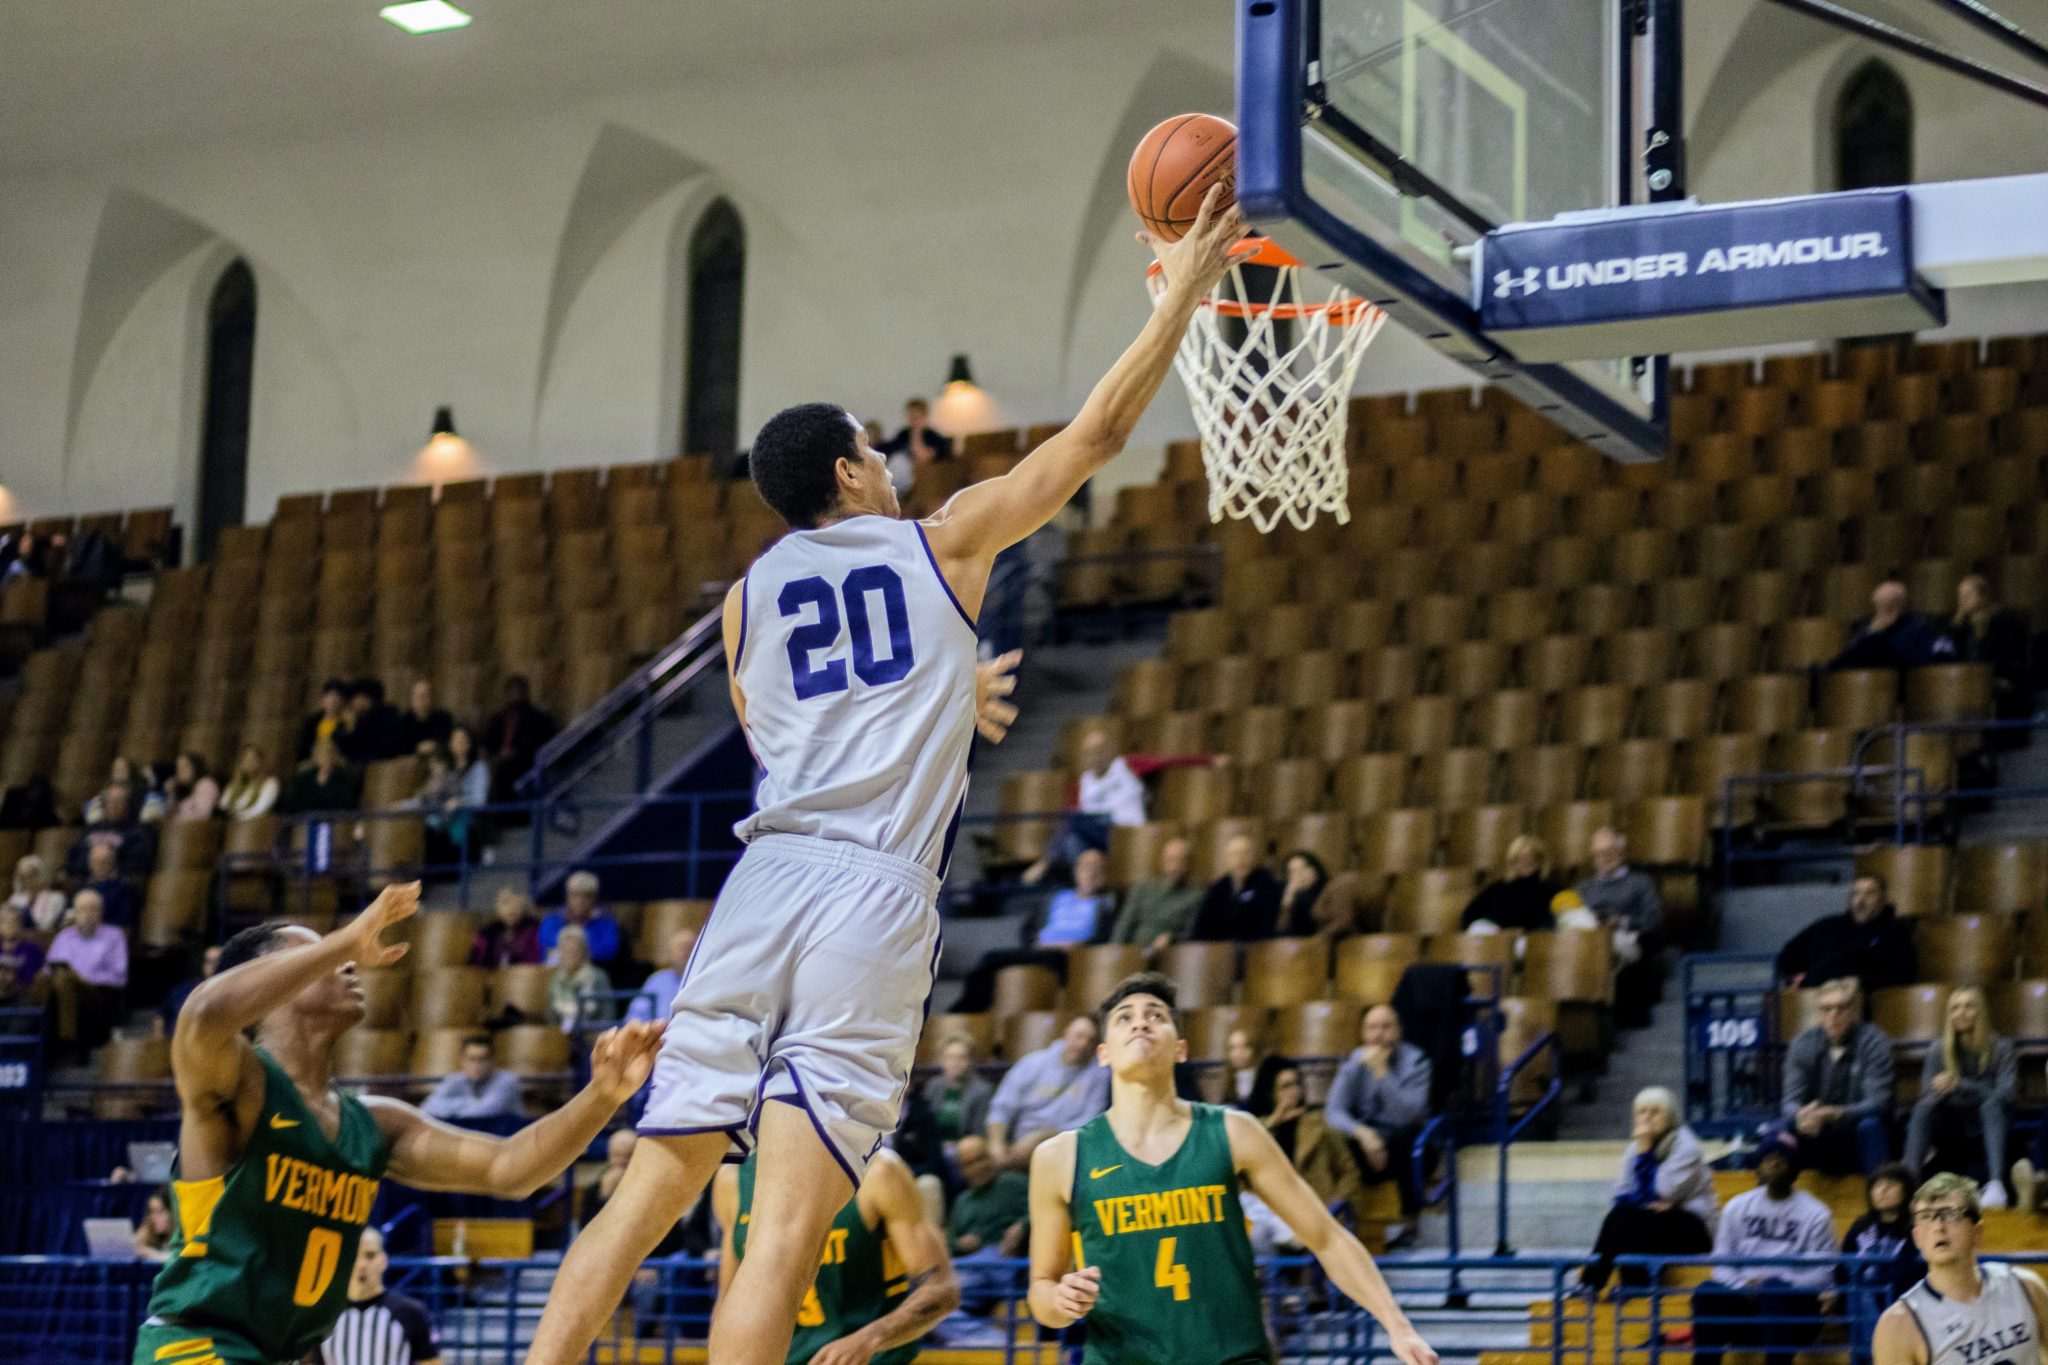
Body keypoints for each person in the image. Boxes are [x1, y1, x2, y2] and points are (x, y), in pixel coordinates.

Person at [522, 191, 1244, 1365]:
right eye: (876, 448)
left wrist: (938, 701)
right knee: (787, 1235)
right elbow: (1096, 439)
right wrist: (1179, 291)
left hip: (764, 882)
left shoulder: (746, 600)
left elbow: (785, 740)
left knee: (650, 1189)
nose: (891, 464)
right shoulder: (942, 538)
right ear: (854, 473)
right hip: (873, 896)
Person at [129, 884, 663, 1365]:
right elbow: (201, 1017)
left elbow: (510, 1168)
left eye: (333, 951)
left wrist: (602, 1096)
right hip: (195, 1346)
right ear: (266, 985)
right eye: (309, 953)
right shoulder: (241, 1083)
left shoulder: (376, 1124)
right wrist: (343, 939)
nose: (343, 961)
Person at [1026, 972, 1439, 1365]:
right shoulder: (1060, 1157)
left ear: (1181, 1050)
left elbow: (1327, 1238)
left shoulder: (1234, 1131)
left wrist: (1398, 1326)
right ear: (1104, 1054)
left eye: (1156, 1015)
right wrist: (1061, 1303)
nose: (1141, 1023)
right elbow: (1041, 1291)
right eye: (1124, 1018)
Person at [714, 1146, 959, 1365]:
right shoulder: (732, 1182)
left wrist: (867, 1340)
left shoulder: (878, 1172)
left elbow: (942, 1290)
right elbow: (727, 1305)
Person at [1692, 1131, 1836, 1365]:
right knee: (1708, 1291)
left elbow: (1823, 1274)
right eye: (1768, 1158)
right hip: (1745, 1309)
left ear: (1795, 1168)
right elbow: (1722, 1263)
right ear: (1758, 1166)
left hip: (1795, 1314)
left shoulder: (1816, 1213)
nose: (1775, 1163)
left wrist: (1776, 1282)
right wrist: (1743, 1287)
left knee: (1774, 1288)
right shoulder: (1736, 1207)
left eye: (1783, 1158)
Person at [1873, 1174, 2048, 1365]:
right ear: (1917, 1238)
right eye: (1925, 1217)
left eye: (1951, 1214)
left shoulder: (2026, 1286)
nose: (1938, 1226)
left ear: (1977, 1231)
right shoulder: (1899, 1325)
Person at [1578, 1086, 1716, 1294]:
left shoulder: (1687, 1146)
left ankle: (1611, 1284)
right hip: (1653, 1222)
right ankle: (1597, 1284)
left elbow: (1663, 1192)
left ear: (1671, 1116)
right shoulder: (1637, 1146)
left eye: (1655, 1111)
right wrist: (1639, 1200)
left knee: (1637, 1218)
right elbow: (1621, 1193)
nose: (1647, 1118)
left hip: (1693, 1227)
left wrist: (1644, 1158)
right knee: (1622, 1216)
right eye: (1642, 1112)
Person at [955, 849, 1116, 1011]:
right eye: (1085, 867)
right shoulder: (1057, 896)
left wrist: (1077, 946)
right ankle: (969, 1008)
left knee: (1004, 958)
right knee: (991, 958)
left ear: (1103, 876)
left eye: (1096, 868)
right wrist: (1034, 942)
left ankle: (967, 1008)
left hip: (1069, 957)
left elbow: (1104, 936)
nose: (1090, 873)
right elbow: (1029, 927)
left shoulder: (1105, 904)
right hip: (1041, 949)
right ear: (1076, 871)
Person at [1905, 986, 2013, 1203]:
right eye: (1955, 1008)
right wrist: (1941, 1089)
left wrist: (1960, 1085)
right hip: (1951, 1129)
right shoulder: (1938, 1049)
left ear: (1981, 1012)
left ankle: (1996, 1187)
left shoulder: (2001, 1047)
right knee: (1924, 1107)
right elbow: (1927, 1094)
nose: (1960, 1013)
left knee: (1991, 1105)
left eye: (1968, 1006)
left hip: (1988, 1128)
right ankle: (1908, 1183)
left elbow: (2007, 1095)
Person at [1323, 1005, 1433, 1218]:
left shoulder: (1417, 1061)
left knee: (1408, 1141)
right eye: (1371, 1028)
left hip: (1406, 1138)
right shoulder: (1355, 1061)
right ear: (1363, 1033)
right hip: (1370, 1142)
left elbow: (1407, 1115)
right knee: (1329, 1140)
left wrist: (1381, 1072)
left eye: (1385, 1027)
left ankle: (1408, 1222)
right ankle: (1336, 1217)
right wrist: (1363, 1133)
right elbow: (1333, 1111)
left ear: (1398, 1031)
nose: (1378, 1034)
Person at [1781, 977, 1895, 1175]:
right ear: (1819, 1014)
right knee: (1778, 1132)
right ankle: (1776, 1203)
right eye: (1827, 1009)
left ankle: (1879, 1197)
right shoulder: (1801, 1044)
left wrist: (1838, 1113)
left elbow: (1878, 1102)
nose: (1834, 1015)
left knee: (1871, 1126)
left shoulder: (1874, 1041)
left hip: (1855, 1128)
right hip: (1816, 1129)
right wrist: (1801, 1116)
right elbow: (1789, 1102)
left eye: (1841, 1008)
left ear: (1852, 1011)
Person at [986, 1016, 1112, 1173]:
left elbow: (1089, 1125)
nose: (1083, 1044)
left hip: (1064, 1148)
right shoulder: (1033, 1062)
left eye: (1090, 1040)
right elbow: (1002, 1107)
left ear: (1096, 1046)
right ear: (1066, 1034)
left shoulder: (1100, 1076)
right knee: (973, 1150)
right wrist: (997, 1146)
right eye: (1078, 1036)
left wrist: (1043, 1137)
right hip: (1017, 1144)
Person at [1577, 827, 1665, 1026]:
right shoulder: (1584, 889)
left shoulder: (1640, 883)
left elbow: (1654, 919)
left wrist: (1622, 921)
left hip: (1627, 937)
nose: (1605, 857)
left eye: (1610, 851)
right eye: (1600, 853)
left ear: (1621, 853)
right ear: (1593, 857)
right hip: (1591, 939)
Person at [319, 1226, 441, 1365]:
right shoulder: (324, 1316)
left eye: (370, 1255)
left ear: (383, 1260)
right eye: (353, 1255)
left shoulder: (411, 1313)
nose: (361, 1265)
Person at [1776, 874, 1917, 990]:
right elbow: (1788, 955)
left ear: (1884, 900)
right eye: (1856, 894)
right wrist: (1795, 977)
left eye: (1870, 894)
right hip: (1816, 1001)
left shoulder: (1896, 932)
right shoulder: (1827, 926)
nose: (1860, 900)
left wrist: (1859, 982)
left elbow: (1903, 976)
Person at [33, 889, 127, 1057]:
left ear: (100, 912)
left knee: (65, 979)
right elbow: (49, 968)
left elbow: (118, 976)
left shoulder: (114, 935)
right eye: (82, 909)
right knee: (44, 979)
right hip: (63, 992)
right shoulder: (64, 936)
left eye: (93, 909)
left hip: (98, 994)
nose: (87, 914)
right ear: (74, 913)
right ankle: (33, 1033)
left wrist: (82, 979)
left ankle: (66, 1041)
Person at [1839, 1163, 1923, 1312]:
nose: (1882, 1191)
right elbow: (1843, 1264)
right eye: (1877, 1186)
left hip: (1902, 1306)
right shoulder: (1860, 1226)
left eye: (1891, 1185)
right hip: (1861, 1305)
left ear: (1907, 1190)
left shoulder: (1916, 1228)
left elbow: (1906, 1272)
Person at [1831, 580, 1951, 672]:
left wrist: (1879, 634)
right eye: (1880, 604)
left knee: (1873, 644)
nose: (1882, 609)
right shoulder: (1864, 626)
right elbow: (1850, 655)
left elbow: (1922, 655)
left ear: (1899, 604)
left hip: (1897, 676)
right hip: (1859, 676)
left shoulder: (1916, 625)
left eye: (1888, 604)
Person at [1109, 837, 1202, 955]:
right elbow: (1124, 924)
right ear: (1163, 861)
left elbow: (1191, 932)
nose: (1175, 867)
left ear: (1188, 865)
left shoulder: (1195, 897)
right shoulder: (1142, 889)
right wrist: (1114, 952)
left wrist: (1172, 938)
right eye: (1171, 860)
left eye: (1181, 861)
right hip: (1134, 953)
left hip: (1169, 956)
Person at [1461, 835, 1566, 932]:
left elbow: (1554, 921)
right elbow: (1469, 915)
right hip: (1498, 938)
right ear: (1512, 862)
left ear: (1540, 860)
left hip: (1534, 940)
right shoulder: (1498, 888)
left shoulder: (1552, 889)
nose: (1525, 862)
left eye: (1531, 858)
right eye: (1520, 859)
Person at [481, 674, 559, 804]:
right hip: (498, 761)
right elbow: (487, 742)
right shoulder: (498, 719)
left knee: (507, 772)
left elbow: (540, 743)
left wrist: (515, 754)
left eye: (518, 691)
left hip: (524, 763)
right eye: (511, 691)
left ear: (525, 693)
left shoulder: (537, 718)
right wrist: (491, 757)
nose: (515, 695)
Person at [1193, 834, 1280, 942]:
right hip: (1222, 951)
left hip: (1257, 948)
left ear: (1253, 856)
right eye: (1235, 854)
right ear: (1226, 860)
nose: (1241, 858)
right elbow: (1201, 930)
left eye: (1246, 853)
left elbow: (1267, 925)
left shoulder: (1266, 882)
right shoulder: (1217, 889)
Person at [421, 1034, 526, 1120]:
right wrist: (467, 1103)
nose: (476, 1065)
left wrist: (452, 1105)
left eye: (482, 1059)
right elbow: (428, 1107)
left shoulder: (508, 1081)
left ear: (492, 1061)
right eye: (472, 1059)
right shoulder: (454, 1080)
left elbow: (483, 1113)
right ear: (462, 1060)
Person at [919, 1037, 995, 1156]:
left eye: (961, 1057)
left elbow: (978, 1133)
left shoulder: (982, 1091)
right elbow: (924, 1126)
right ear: (942, 1061)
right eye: (950, 1057)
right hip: (932, 1149)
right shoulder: (933, 1086)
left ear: (971, 1060)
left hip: (964, 1151)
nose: (955, 1063)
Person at [69, 781, 157, 878]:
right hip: (84, 881)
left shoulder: (140, 832)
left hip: (116, 884)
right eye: (110, 801)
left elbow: (140, 865)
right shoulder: (91, 829)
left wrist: (106, 864)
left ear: (128, 804)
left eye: (119, 801)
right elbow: (72, 862)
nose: (113, 805)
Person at [539, 870, 621, 965]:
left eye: (586, 896)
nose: (580, 901)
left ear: (594, 898)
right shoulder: (552, 921)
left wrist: (575, 952)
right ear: (567, 897)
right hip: (554, 972)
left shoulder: (607, 923)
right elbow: (549, 946)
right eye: (574, 895)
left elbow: (608, 952)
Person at [548, 925, 614, 1031]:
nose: (571, 955)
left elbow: (608, 1015)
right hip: (562, 1039)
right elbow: (551, 1019)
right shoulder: (556, 980)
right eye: (567, 951)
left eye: (575, 950)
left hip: (591, 1037)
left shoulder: (598, 977)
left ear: (584, 952)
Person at [628, 928, 698, 1023]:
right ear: (670, 952)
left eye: (690, 947)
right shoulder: (657, 980)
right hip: (657, 1034)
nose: (685, 952)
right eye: (680, 947)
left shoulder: (704, 981)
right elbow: (635, 1015)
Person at [279, 738, 362, 815]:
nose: (325, 758)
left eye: (328, 754)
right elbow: (292, 804)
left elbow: (347, 806)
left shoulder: (343, 778)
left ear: (334, 757)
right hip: (304, 823)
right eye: (321, 754)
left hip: (334, 824)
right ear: (315, 757)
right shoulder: (304, 778)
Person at [1221, 1028, 1288, 1116]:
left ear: (1253, 1049)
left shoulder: (1265, 1077)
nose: (1238, 1053)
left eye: (1244, 1046)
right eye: (1233, 1048)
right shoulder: (1229, 1082)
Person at [160, 944, 223, 1034]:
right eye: (209, 962)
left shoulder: (234, 995)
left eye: (217, 962)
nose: (214, 966)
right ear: (203, 965)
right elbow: (160, 1017)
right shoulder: (181, 990)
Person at [337, 679, 402, 765]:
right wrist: (350, 728)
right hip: (356, 766)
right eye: (356, 698)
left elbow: (387, 746)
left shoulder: (386, 715)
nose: (360, 702)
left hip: (382, 764)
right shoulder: (350, 718)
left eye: (364, 697)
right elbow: (345, 750)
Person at [1277, 849, 1337, 938]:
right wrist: (1288, 899)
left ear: (1314, 871)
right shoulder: (1285, 892)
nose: (1297, 876)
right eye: (1292, 872)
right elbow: (1280, 930)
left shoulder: (1328, 890)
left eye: (1301, 869)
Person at [81, 842, 141, 929]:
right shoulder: (83, 887)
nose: (97, 865)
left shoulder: (124, 889)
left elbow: (124, 926)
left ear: (112, 863)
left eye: (103, 862)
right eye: (94, 861)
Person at [7, 852, 67, 931]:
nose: (27, 880)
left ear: (41, 874)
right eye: (23, 877)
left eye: (31, 875)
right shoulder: (16, 898)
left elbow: (46, 926)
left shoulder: (55, 898)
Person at [218, 745, 280, 822]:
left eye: (253, 759)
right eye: (245, 759)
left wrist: (236, 817)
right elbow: (223, 805)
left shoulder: (270, 783)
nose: (248, 763)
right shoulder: (234, 784)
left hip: (252, 826)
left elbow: (259, 810)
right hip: (230, 823)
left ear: (260, 762)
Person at [395, 677, 455, 756]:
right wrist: (417, 748)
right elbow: (398, 748)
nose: (421, 700)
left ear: (432, 697)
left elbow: (450, 743)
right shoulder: (403, 721)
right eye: (418, 696)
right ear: (411, 699)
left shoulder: (444, 718)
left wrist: (436, 745)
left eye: (425, 696)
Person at [298, 679, 352, 763]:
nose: (333, 701)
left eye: (337, 697)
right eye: (329, 696)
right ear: (322, 700)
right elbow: (304, 747)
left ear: (344, 702)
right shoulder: (312, 722)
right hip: (311, 763)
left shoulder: (346, 724)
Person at [0, 904, 45, 1005]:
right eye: (5, 922)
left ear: (20, 926)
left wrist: (13, 977)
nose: (9, 925)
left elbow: (37, 977)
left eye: (14, 922)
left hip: (22, 995)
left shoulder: (33, 949)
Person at [161, 753, 220, 823]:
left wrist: (176, 819)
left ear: (195, 767)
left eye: (185, 766)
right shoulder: (182, 790)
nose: (181, 771)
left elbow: (202, 816)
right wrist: (171, 792)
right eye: (178, 768)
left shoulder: (206, 784)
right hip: (179, 829)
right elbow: (167, 814)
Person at [135, 1189, 177, 1263]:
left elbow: (177, 1260)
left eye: (160, 1211)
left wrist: (151, 1253)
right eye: (151, 1212)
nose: (153, 1218)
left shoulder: (181, 1237)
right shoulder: (148, 1231)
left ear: (172, 1213)